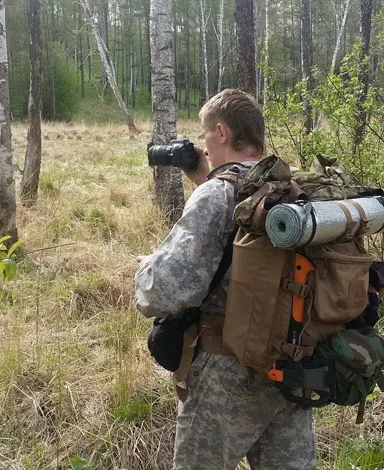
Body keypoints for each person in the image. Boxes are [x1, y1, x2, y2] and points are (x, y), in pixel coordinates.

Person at [134, 89, 317, 469]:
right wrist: (205, 180)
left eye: (204, 136)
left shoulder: (218, 195)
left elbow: (163, 291)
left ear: (220, 132)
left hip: (227, 374)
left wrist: (145, 266)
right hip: (290, 369)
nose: (203, 146)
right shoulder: (292, 189)